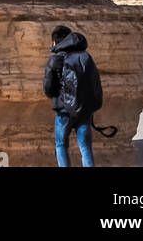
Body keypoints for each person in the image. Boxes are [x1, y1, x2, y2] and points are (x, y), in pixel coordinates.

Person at [43, 24, 103, 167]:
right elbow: (95, 82)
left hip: (63, 110)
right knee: (85, 146)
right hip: (84, 110)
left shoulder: (55, 59)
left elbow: (48, 88)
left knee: (61, 145)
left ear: (55, 42)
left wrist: (57, 97)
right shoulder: (86, 56)